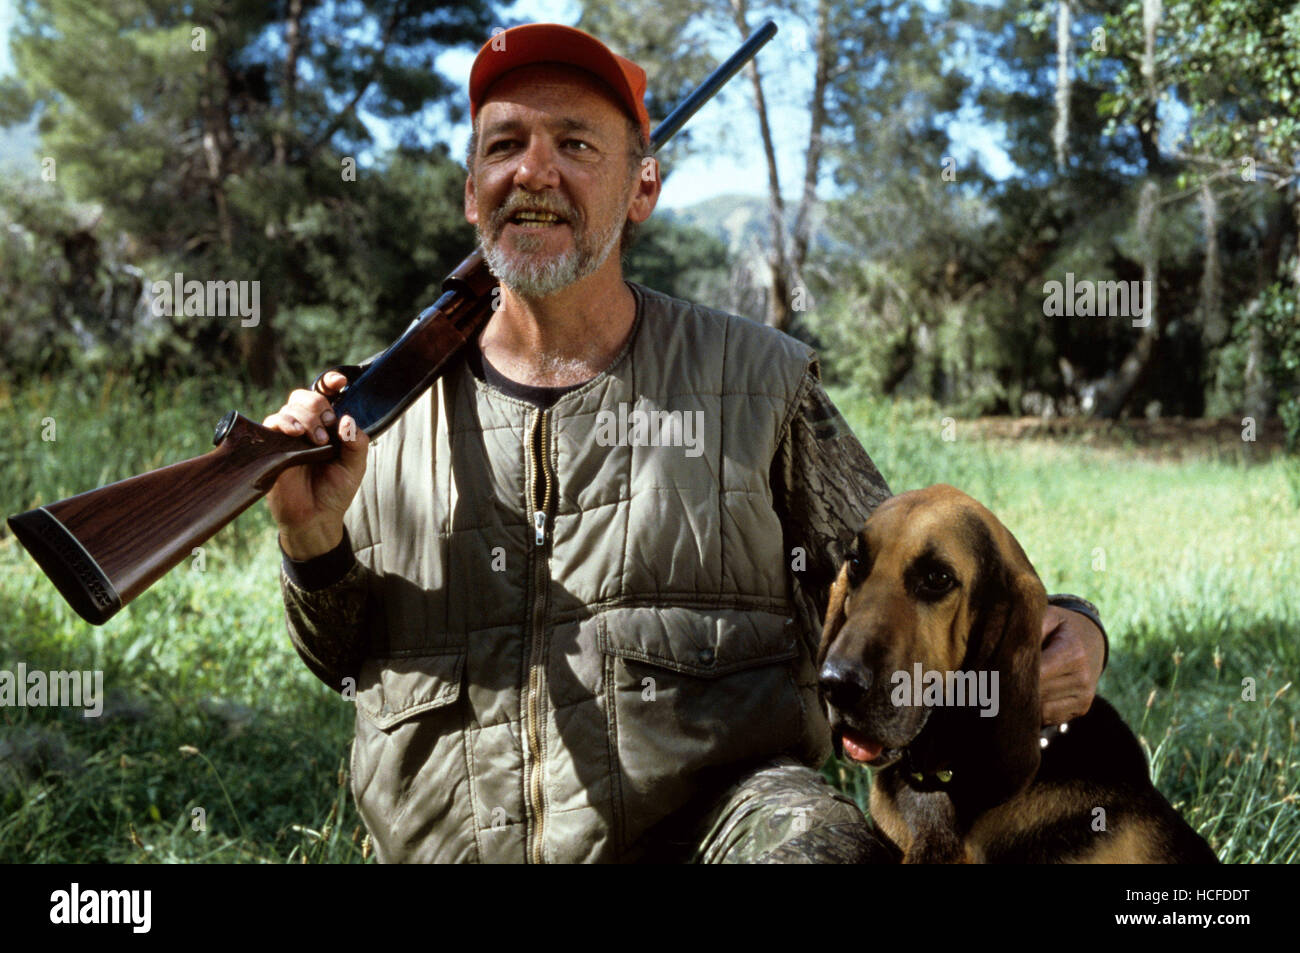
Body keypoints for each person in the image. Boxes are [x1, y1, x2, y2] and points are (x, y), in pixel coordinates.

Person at [263, 23, 1108, 863]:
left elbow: (906, 563)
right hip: (444, 850)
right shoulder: (373, 417)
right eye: (505, 144)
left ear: (642, 191)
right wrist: (311, 540)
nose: (534, 170)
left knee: (821, 848)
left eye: (577, 144)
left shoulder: (757, 383)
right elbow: (341, 657)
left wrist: (1076, 627)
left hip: (709, 841)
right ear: (470, 191)